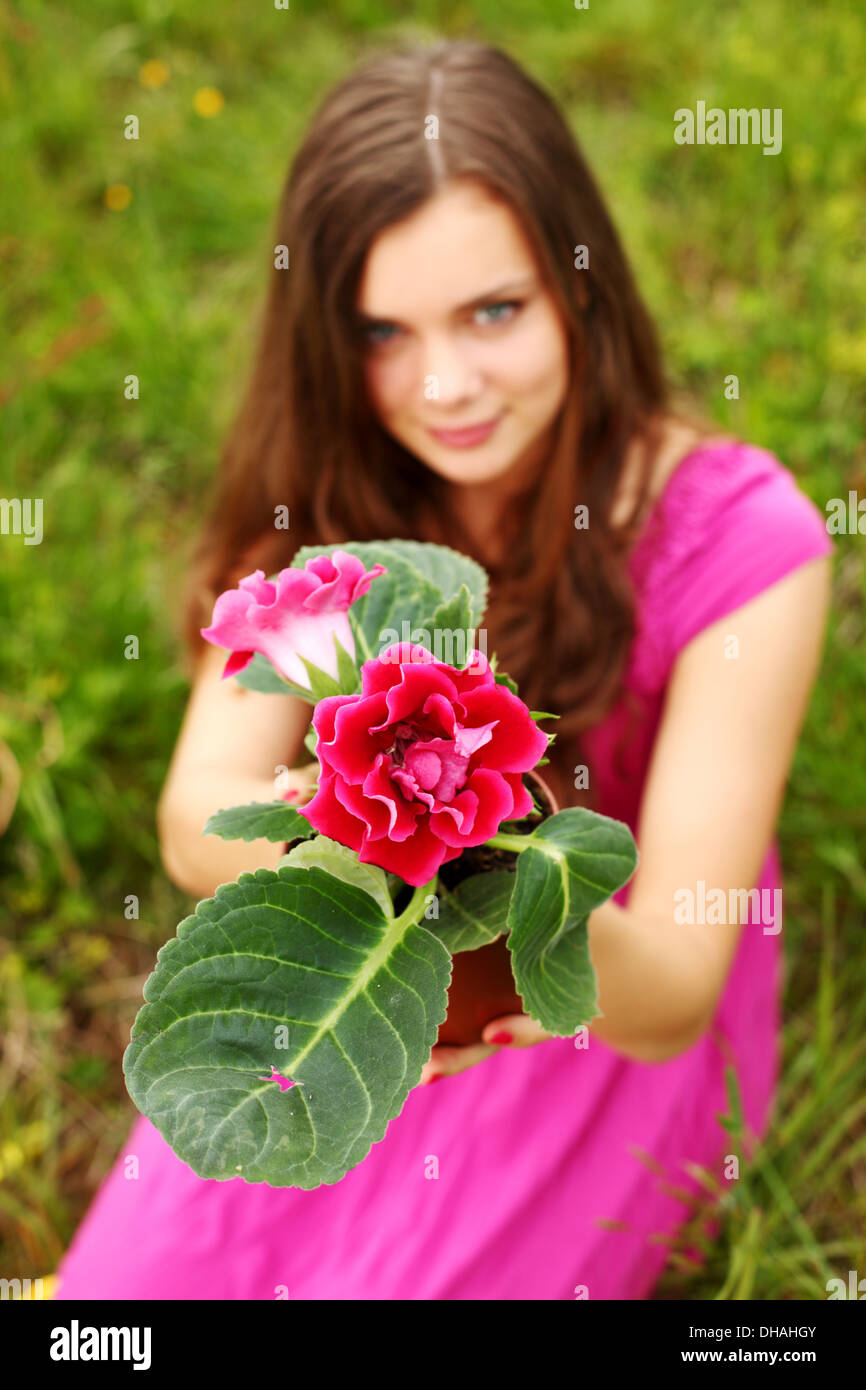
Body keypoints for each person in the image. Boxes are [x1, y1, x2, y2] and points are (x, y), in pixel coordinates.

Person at [55, 39, 832, 1300]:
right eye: (380, 330)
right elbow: (196, 816)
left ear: (579, 285)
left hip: (588, 997)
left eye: (493, 311)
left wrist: (469, 891)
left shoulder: (746, 543)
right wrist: (382, 901)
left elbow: (672, 984)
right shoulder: (340, 490)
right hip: (344, 955)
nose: (443, 385)